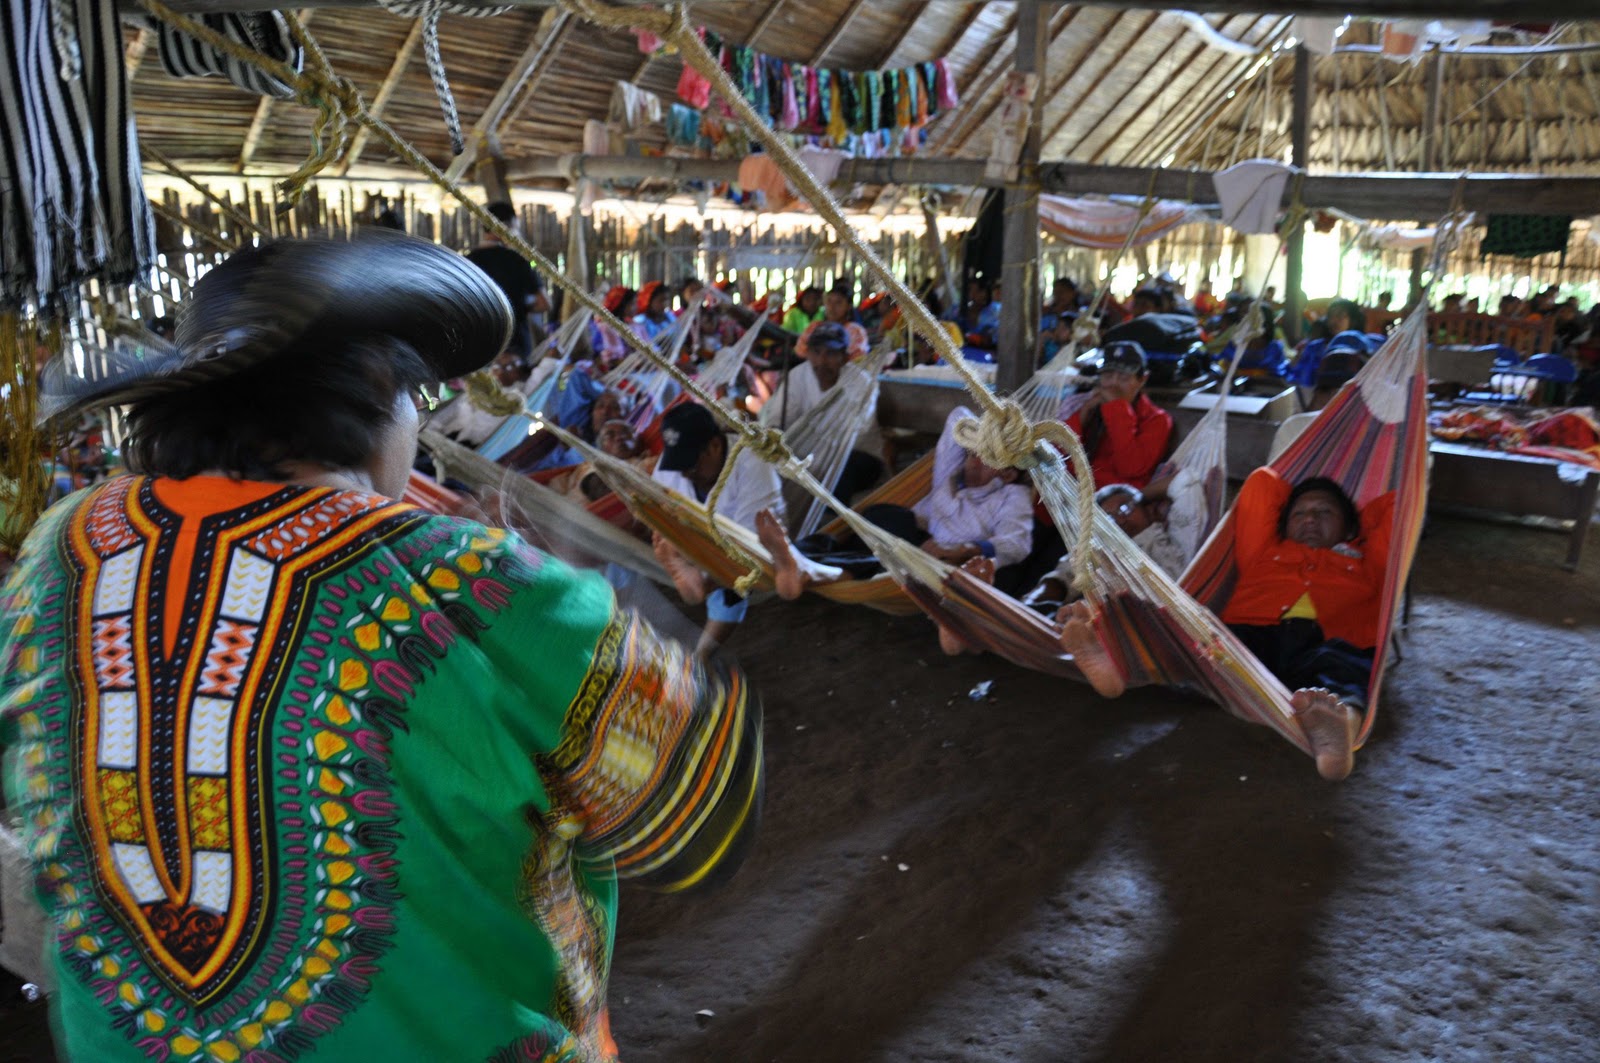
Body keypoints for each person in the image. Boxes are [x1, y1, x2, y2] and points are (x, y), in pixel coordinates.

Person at [0, 235, 762, 1062]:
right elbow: (708, 808)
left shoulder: (61, 551)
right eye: (416, 398)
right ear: (377, 395)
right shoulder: (480, 584)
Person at [1049, 469, 1391, 781]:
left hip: (1330, 642)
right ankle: (1116, 665)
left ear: (1349, 528)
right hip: (1249, 641)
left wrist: (1358, 526)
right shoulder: (1264, 551)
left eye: (1325, 512)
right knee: (1186, 637)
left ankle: (1339, 732)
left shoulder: (1369, 565)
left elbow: (1395, 510)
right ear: (1284, 525)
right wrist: (1311, 501)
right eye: (1300, 513)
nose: (1311, 519)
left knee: (1346, 669)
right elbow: (1261, 483)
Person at [755, 405, 1033, 602]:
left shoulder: (1013, 497)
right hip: (912, 530)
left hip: (940, 560)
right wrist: (991, 432)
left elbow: (1016, 544)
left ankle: (806, 571)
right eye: (974, 453)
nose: (973, 461)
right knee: (869, 521)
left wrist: (963, 550)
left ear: (1008, 473)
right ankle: (795, 557)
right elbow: (957, 416)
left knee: (883, 564)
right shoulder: (952, 469)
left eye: (986, 460)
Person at [650, 402, 784, 657]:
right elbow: (663, 507)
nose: (685, 475)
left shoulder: (752, 463)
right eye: (679, 465)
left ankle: (702, 583)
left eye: (691, 466)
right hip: (700, 541)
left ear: (714, 446)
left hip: (759, 542)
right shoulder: (673, 469)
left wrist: (705, 570)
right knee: (668, 533)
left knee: (740, 574)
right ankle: (695, 573)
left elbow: (750, 542)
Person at [1063, 341, 1174, 490]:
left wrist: (1116, 407)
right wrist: (1083, 415)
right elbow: (1060, 454)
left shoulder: (1157, 420)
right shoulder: (1090, 406)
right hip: (1073, 493)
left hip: (1110, 500)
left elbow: (1130, 467)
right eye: (1107, 376)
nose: (1113, 385)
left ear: (1142, 380)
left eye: (1124, 378)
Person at [466, 200, 548, 360]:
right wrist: (520, 308)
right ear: (506, 226)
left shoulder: (467, 263)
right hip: (515, 347)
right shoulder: (518, 261)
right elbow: (544, 303)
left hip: (478, 347)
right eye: (515, 228)